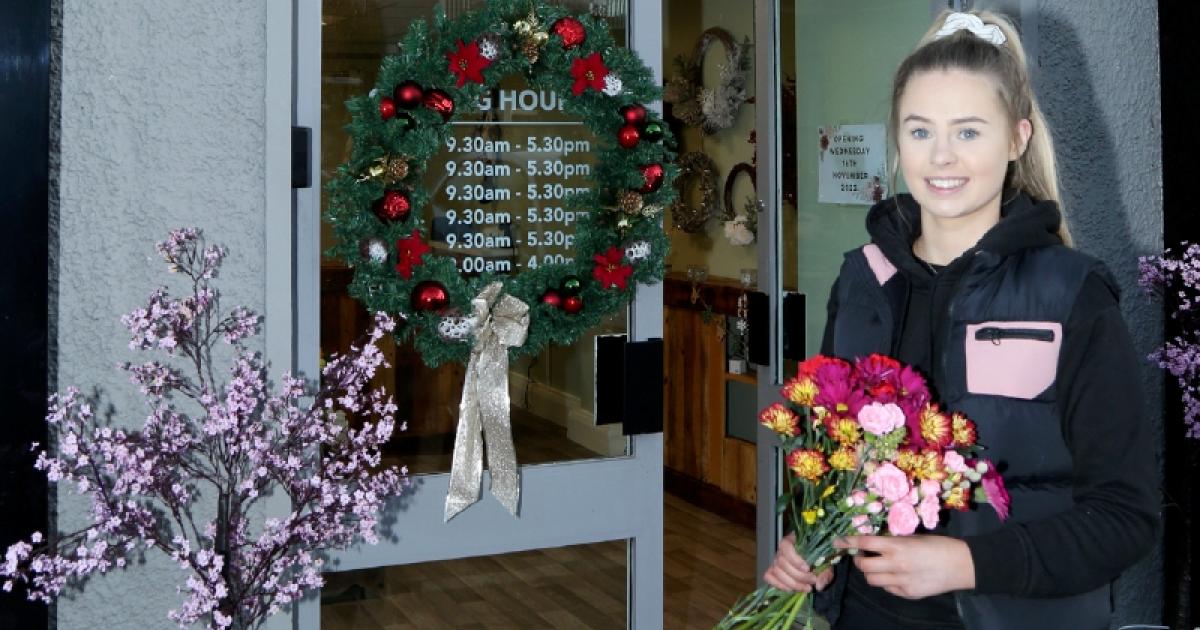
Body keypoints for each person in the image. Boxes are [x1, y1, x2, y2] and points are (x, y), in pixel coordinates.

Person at [762, 10, 1159, 630]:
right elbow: (827, 455)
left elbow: (1125, 518)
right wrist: (804, 539)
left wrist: (968, 563)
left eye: (969, 132)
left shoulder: (1072, 295)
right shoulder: (862, 280)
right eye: (920, 131)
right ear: (898, 139)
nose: (941, 156)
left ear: (1017, 138)